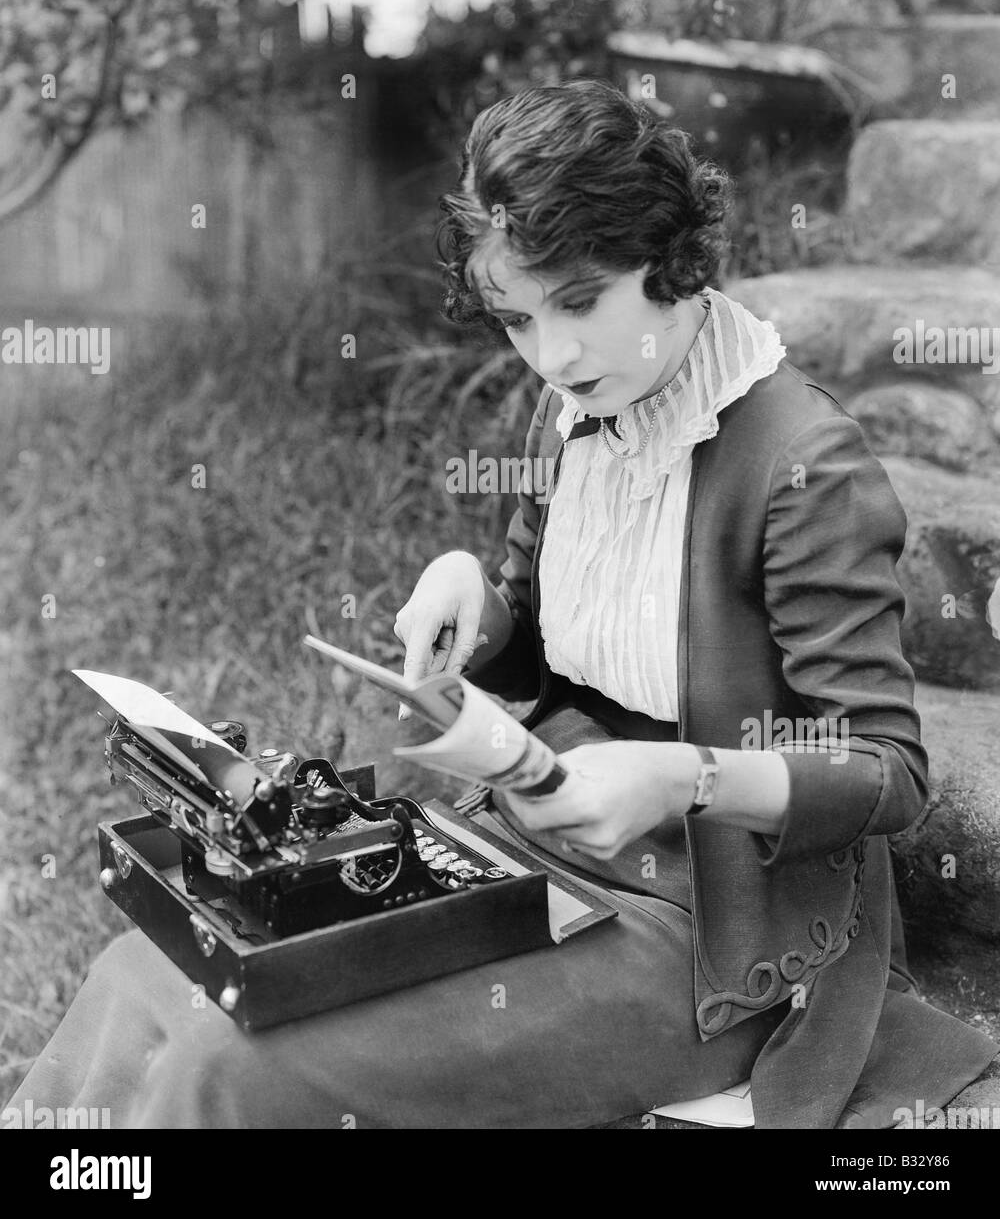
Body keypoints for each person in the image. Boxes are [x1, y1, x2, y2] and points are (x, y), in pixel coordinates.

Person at [4, 80, 995, 1130]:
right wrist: (477, 603)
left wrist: (681, 777)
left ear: (668, 258)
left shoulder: (802, 463)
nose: (552, 354)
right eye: (519, 318)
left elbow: (885, 775)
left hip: (705, 925)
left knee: (237, 1066)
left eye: (580, 301)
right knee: (138, 979)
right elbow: (540, 651)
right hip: (525, 851)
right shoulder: (572, 411)